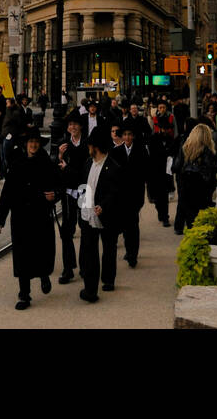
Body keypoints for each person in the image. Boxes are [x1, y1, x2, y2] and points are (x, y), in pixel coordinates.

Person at [0, 125, 58, 310]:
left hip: (40, 215)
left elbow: (56, 185)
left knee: (41, 250)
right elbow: (8, 192)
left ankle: (44, 275)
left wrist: (54, 195)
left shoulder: (46, 162)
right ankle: (24, 295)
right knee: (22, 255)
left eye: (36, 142)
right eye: (30, 142)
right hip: (21, 216)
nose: (33, 145)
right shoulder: (17, 163)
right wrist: (0, 217)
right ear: (25, 144)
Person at [78, 128, 122, 302]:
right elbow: (83, 186)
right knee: (90, 253)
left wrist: (103, 206)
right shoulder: (88, 163)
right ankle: (90, 291)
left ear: (96, 146)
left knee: (109, 248)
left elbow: (115, 192)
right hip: (88, 215)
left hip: (106, 216)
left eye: (90, 144)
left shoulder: (114, 167)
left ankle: (108, 279)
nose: (88, 147)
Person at [56, 112, 89, 284]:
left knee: (86, 229)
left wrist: (67, 168)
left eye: (76, 124)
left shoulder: (87, 144)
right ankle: (68, 268)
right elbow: (57, 169)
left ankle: (84, 266)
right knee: (66, 232)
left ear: (81, 126)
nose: (73, 127)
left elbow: (86, 172)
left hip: (84, 191)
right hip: (68, 193)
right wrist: (60, 157)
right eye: (70, 124)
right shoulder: (64, 144)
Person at [113, 123, 147, 268]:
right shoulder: (116, 151)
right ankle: (129, 250)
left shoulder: (141, 150)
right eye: (125, 135)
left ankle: (133, 254)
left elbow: (146, 170)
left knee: (133, 224)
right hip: (121, 195)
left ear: (133, 136)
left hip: (135, 193)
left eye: (129, 134)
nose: (127, 137)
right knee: (125, 225)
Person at [173, 124, 217, 234]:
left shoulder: (185, 148)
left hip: (186, 186)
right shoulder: (208, 151)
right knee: (201, 221)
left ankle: (191, 241)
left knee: (190, 221)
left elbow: (176, 167)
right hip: (202, 189)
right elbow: (212, 170)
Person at [146, 113, 175, 227]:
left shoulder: (170, 139)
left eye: (166, 128)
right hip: (155, 171)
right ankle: (161, 212)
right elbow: (151, 156)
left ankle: (165, 217)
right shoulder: (153, 139)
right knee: (157, 197)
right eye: (163, 128)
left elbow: (172, 153)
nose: (165, 130)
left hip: (166, 172)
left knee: (164, 195)